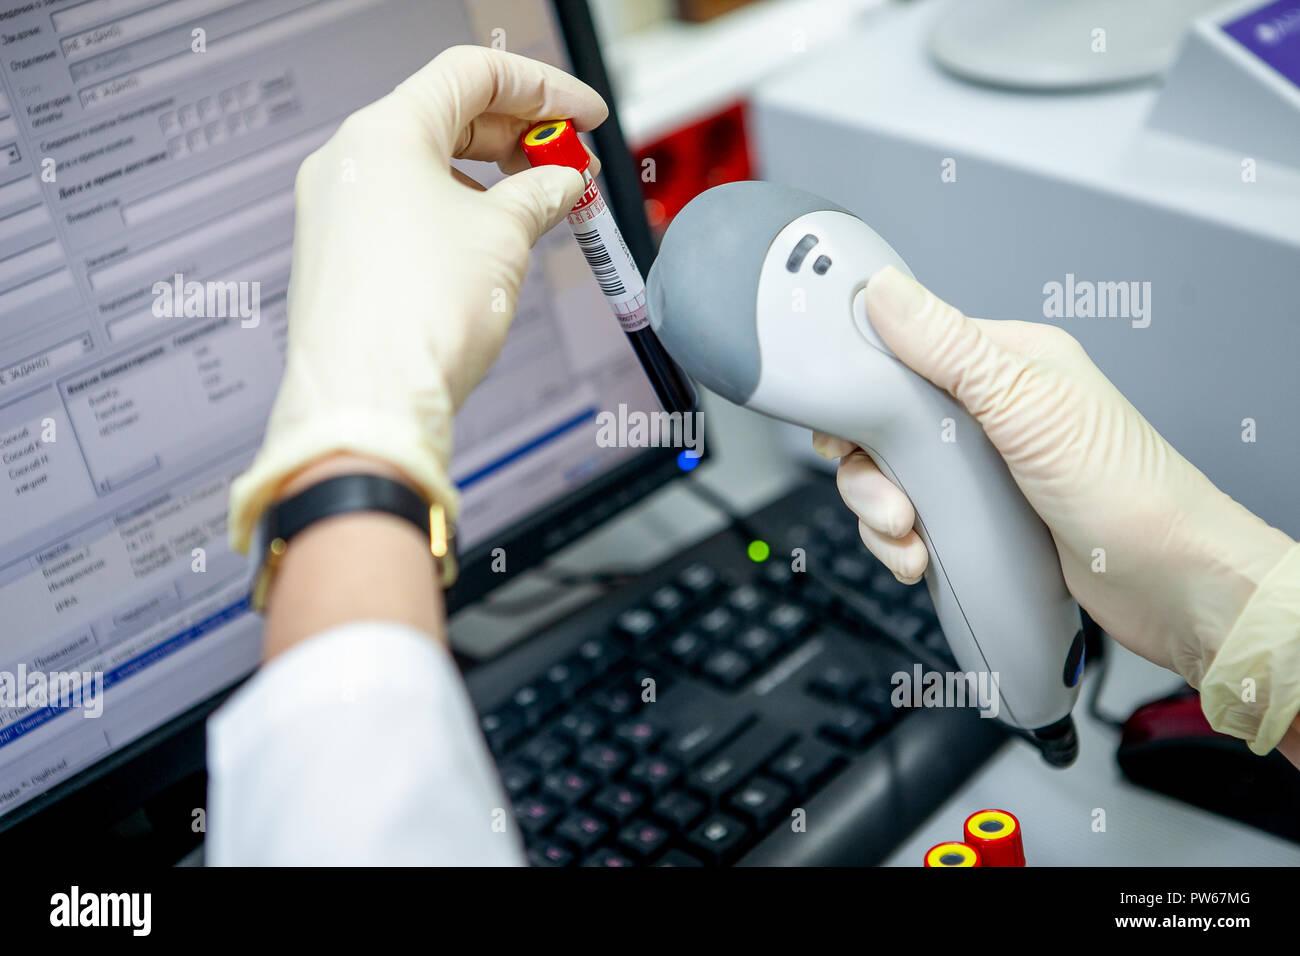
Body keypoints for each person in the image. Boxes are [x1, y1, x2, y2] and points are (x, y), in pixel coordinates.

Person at [205, 47, 1300, 865]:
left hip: (1039, 663)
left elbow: (355, 812)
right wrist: (1229, 595)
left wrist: (355, 414)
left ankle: (1038, 711)